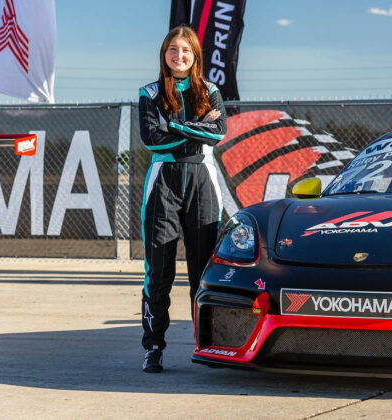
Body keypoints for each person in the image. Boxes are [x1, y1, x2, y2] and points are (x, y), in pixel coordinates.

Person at [138, 25, 226, 373]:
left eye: (186, 51)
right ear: (164, 54)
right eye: (173, 50)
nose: (179, 56)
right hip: (163, 182)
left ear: (195, 56)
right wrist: (194, 129)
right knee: (158, 271)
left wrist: (174, 126)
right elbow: (151, 140)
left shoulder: (211, 90)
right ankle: (153, 347)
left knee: (203, 271)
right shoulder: (150, 92)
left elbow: (218, 134)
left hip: (203, 182)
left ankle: (206, 344)